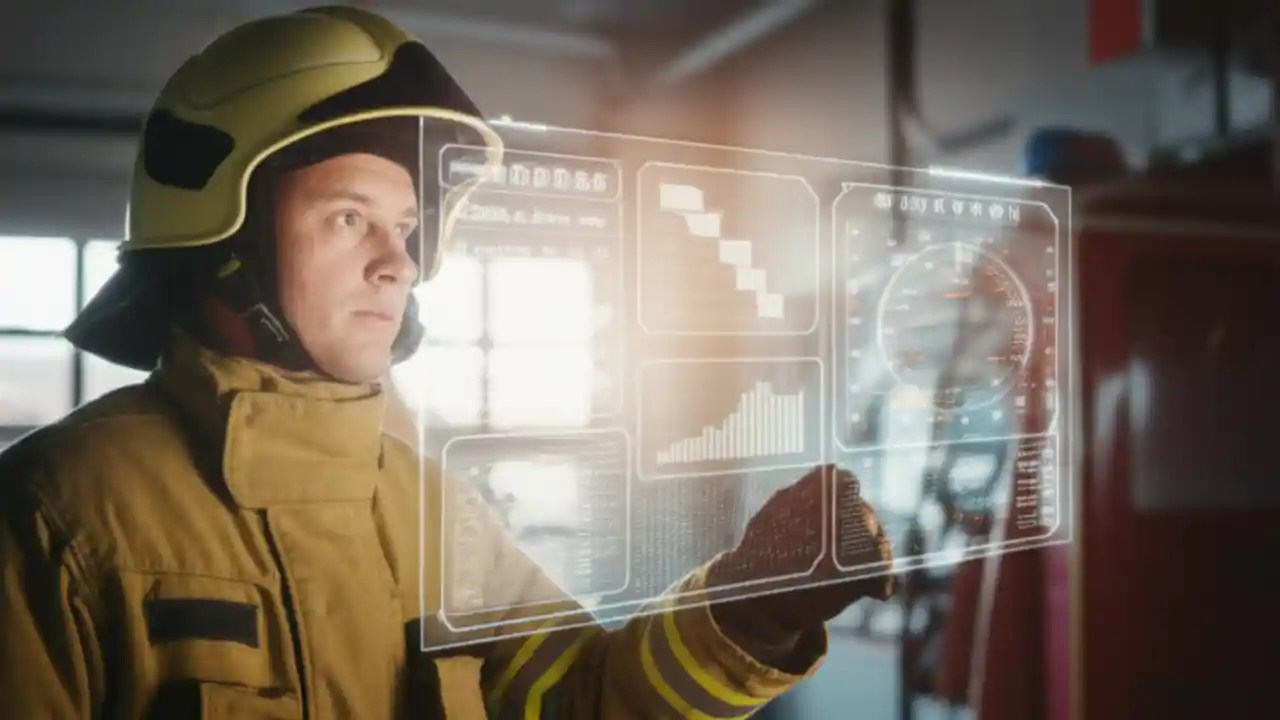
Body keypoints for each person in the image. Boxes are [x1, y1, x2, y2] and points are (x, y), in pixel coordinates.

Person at [0, 6, 894, 718]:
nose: (399, 264)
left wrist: (744, 614)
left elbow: (580, 699)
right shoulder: (59, 514)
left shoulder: (433, 511)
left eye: (407, 228)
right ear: (223, 234)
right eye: (350, 218)